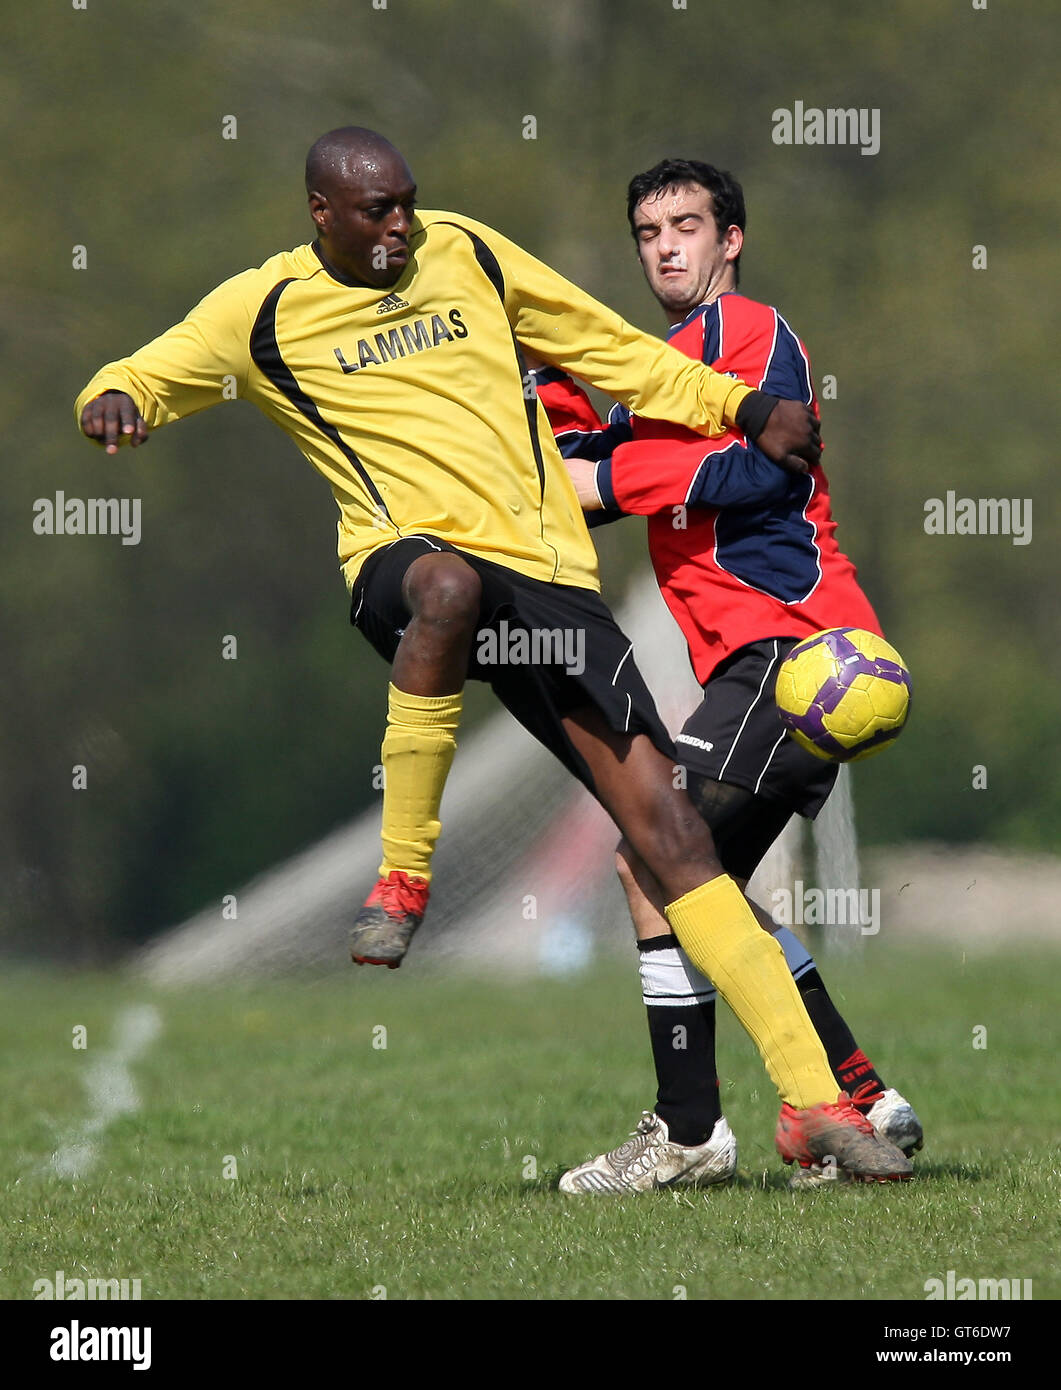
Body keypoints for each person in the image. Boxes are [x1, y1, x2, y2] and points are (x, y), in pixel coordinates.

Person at [75, 127, 910, 1182]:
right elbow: (146, 372)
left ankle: (814, 1101)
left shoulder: (465, 249)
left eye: (406, 204)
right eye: (375, 212)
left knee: (665, 838)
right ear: (320, 215)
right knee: (446, 585)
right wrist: (112, 398)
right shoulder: (262, 309)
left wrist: (739, 406)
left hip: (550, 585)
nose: (399, 226)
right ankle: (404, 878)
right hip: (406, 563)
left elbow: (612, 347)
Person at [529, 158, 922, 1192]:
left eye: (686, 225)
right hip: (786, 666)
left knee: (650, 859)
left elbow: (760, 463)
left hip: (791, 652)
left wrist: (602, 470)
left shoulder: (738, 334)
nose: (665, 245)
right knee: (707, 887)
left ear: (729, 238)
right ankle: (860, 1092)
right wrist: (545, 387)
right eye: (648, 231)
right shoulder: (668, 371)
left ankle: (689, 1129)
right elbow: (581, 468)